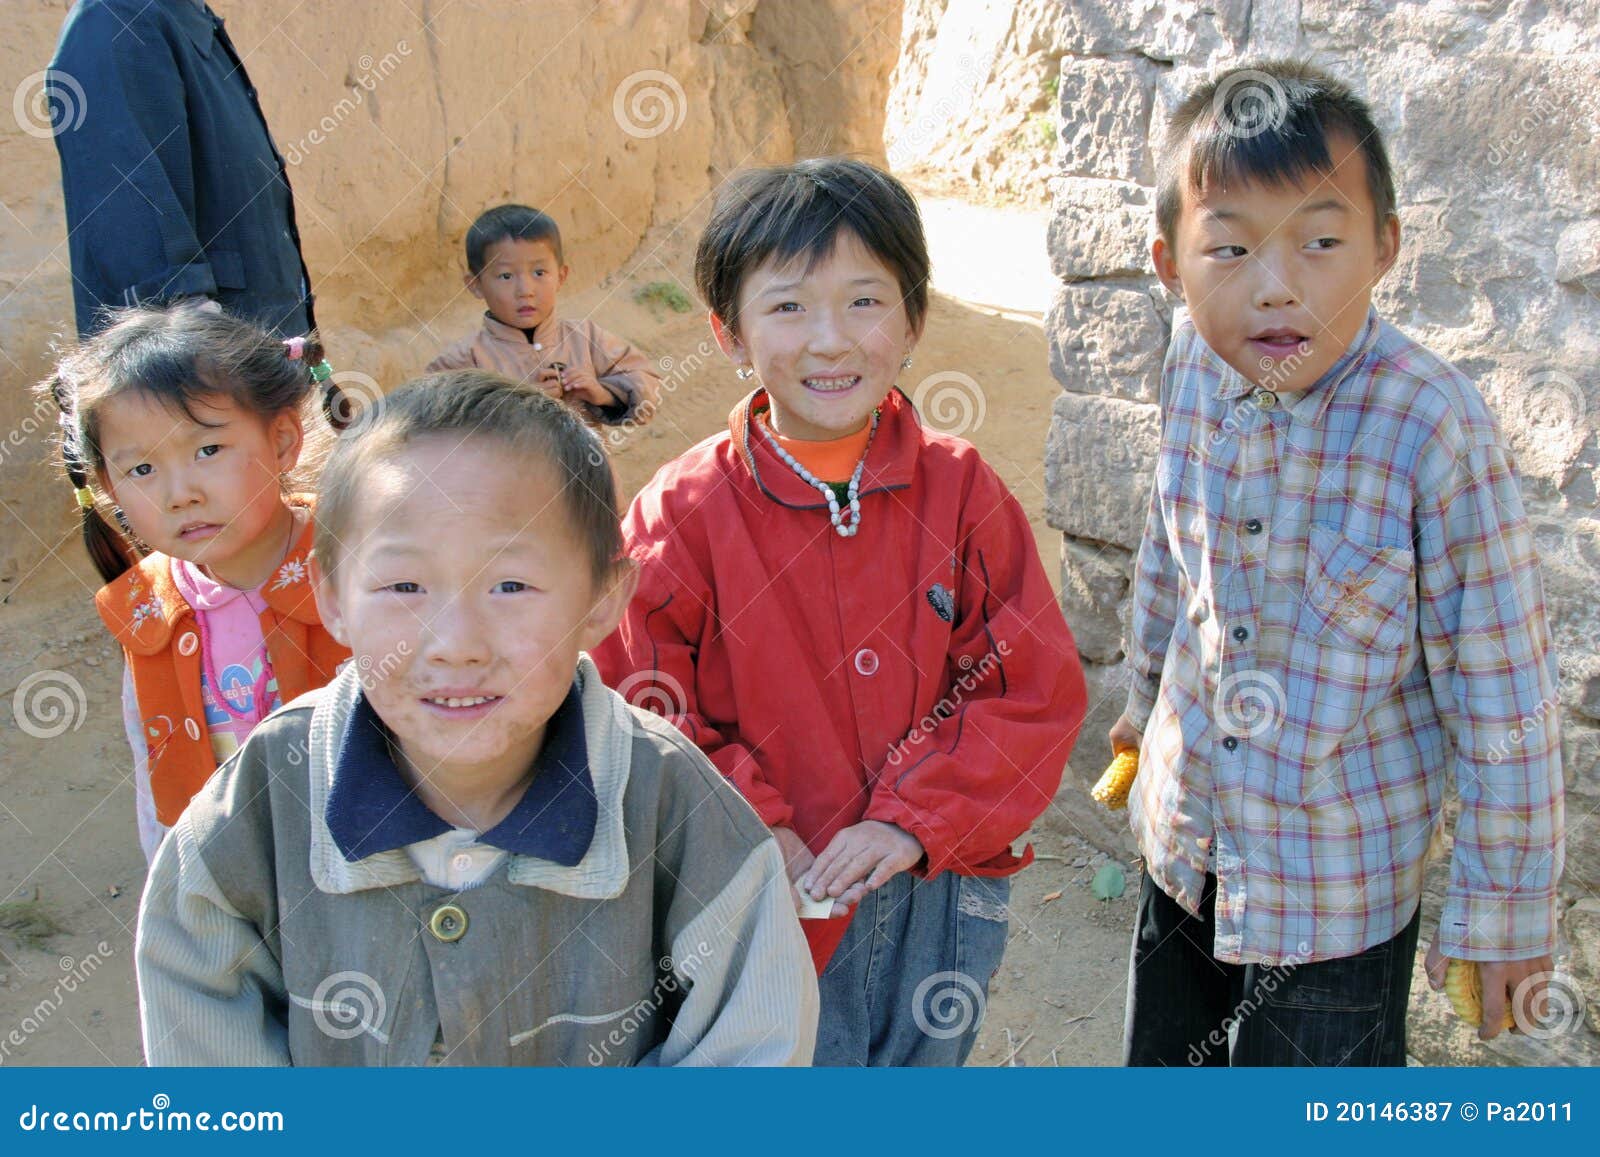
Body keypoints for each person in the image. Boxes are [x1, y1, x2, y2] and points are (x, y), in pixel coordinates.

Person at [134, 372, 818, 1065]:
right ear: (331, 596)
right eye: (404, 585)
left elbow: (757, 1046)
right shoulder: (260, 803)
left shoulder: (676, 806)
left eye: (510, 585)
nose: (456, 643)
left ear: (604, 599)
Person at [1114, 59, 1564, 1065]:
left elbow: (1504, 695)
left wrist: (1504, 914)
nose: (1277, 286)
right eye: (1228, 247)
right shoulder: (1193, 361)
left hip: (1334, 895)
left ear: (1384, 248)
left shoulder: (1432, 428)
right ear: (1169, 262)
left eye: (1320, 243)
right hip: (1187, 847)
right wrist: (1139, 699)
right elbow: (1168, 538)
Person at [594, 158, 1086, 1066]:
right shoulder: (683, 514)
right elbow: (640, 706)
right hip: (762, 894)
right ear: (728, 332)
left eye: (865, 301)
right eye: (786, 307)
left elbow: (1033, 686)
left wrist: (914, 817)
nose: (830, 340)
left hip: (937, 888)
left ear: (914, 321)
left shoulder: (962, 491)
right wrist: (758, 825)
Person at [42, 306, 346, 864]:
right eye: (141, 470)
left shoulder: (361, 567)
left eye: (207, 451)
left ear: (282, 442)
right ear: (107, 484)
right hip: (235, 883)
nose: (179, 494)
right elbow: (156, 778)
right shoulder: (149, 614)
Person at [48, 0, 316, 338]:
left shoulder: (186, 19)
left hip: (260, 373)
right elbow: (143, 255)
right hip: (203, 381)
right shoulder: (116, 18)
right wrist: (209, 371)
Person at [426, 205, 661, 426]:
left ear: (561, 276)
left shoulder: (585, 337)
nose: (525, 290)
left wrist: (602, 393)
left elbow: (647, 385)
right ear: (475, 284)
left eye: (539, 272)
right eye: (506, 276)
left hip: (589, 469)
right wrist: (518, 403)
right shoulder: (465, 360)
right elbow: (433, 422)